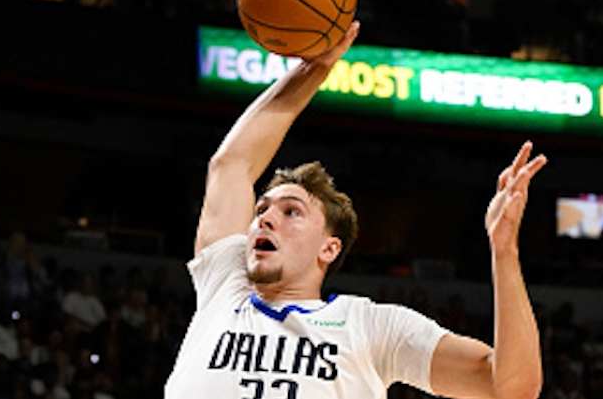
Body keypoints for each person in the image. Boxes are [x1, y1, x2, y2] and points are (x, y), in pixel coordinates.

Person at [164, 21, 546, 399]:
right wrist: (314, 69)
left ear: (329, 248)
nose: (264, 217)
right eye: (262, 208)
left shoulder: (371, 327)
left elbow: (511, 387)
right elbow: (231, 165)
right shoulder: (225, 286)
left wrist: (504, 250)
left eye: (291, 211)